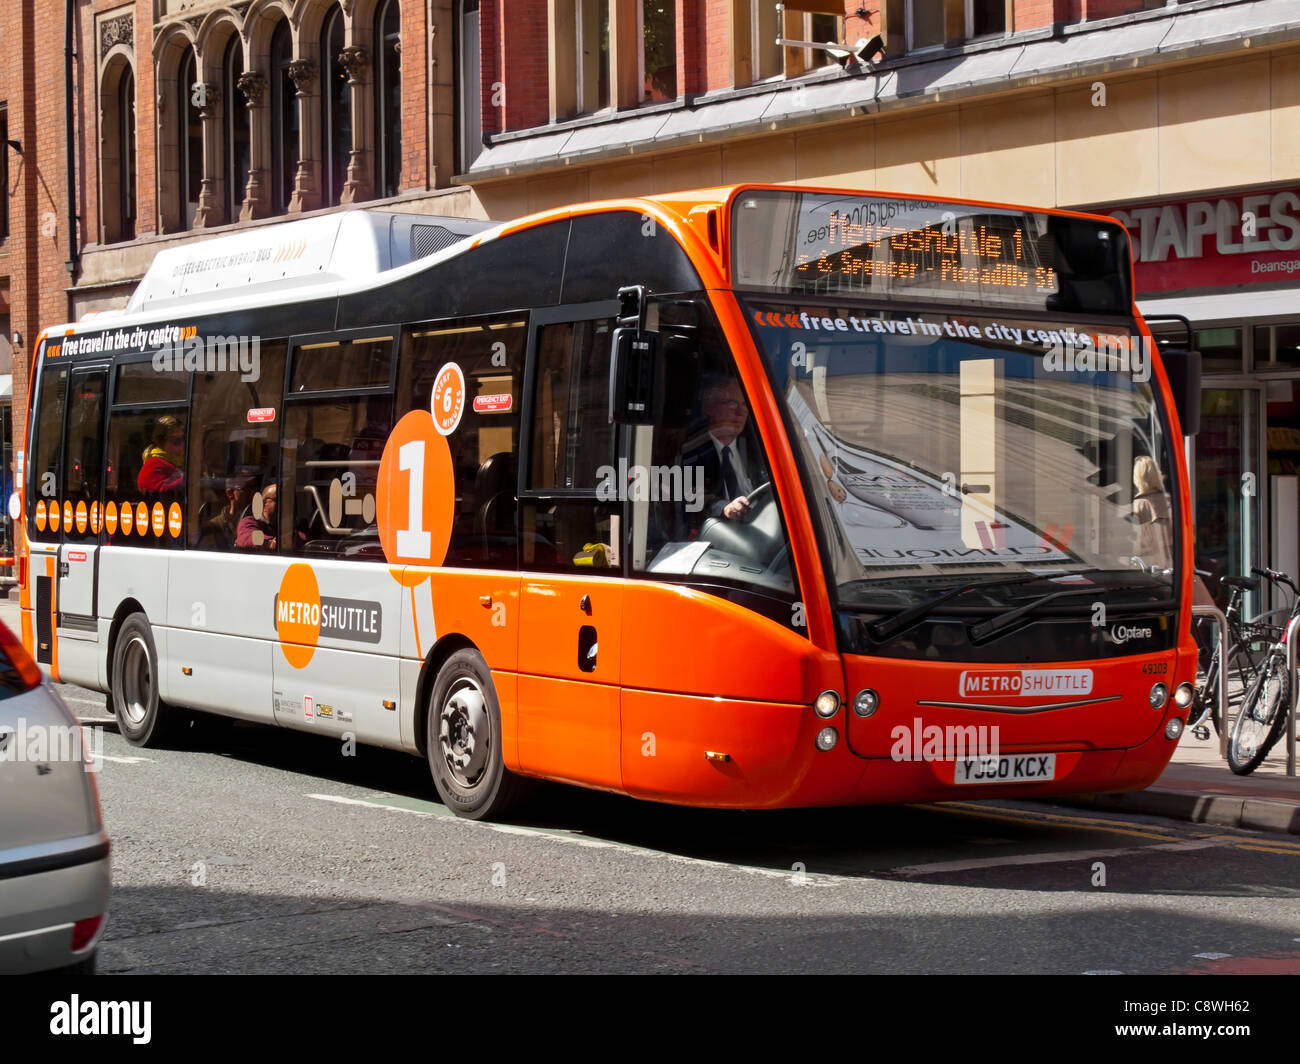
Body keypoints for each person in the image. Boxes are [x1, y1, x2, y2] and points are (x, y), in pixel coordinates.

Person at [677, 372, 766, 529]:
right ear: (709, 407)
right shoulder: (693, 450)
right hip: (717, 535)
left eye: (745, 404)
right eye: (732, 404)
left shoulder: (756, 448)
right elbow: (693, 495)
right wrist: (725, 508)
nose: (741, 411)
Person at [1132, 455, 1172, 559]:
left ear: (1138, 478)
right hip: (1172, 566)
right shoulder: (1171, 502)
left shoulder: (1137, 505)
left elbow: (1135, 547)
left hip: (1148, 568)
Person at [138, 415, 185, 493]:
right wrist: (189, 480)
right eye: (176, 441)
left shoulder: (177, 463)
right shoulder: (153, 464)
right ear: (161, 442)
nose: (182, 444)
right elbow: (161, 493)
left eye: (183, 439)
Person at [237, 482, 279, 550]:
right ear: (265, 503)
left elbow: (299, 537)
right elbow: (245, 538)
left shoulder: (283, 525)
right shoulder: (249, 521)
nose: (284, 504)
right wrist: (270, 542)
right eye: (278, 500)